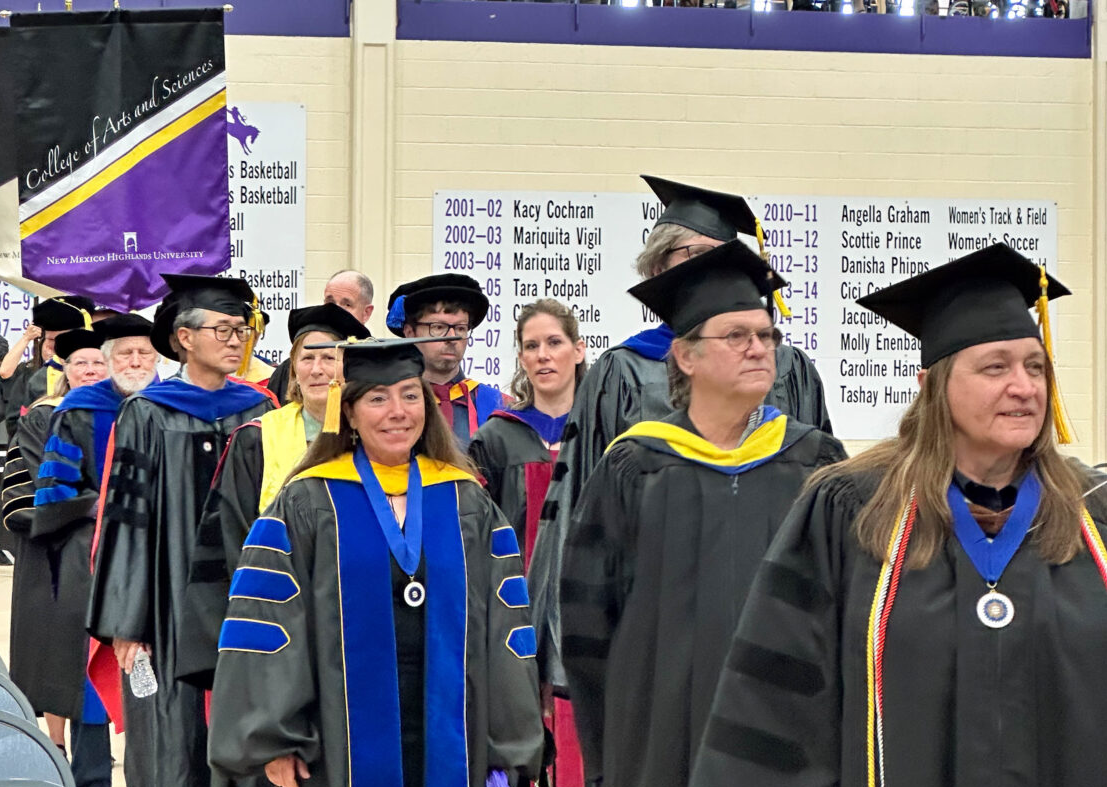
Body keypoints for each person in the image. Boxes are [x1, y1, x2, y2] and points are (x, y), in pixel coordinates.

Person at [669, 243, 1107, 787]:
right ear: (933, 383)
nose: (1024, 386)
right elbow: (781, 691)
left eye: (1035, 367)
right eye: (994, 367)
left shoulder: (1094, 520)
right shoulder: (852, 514)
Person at [208, 335, 544, 787]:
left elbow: (507, 626)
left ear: (429, 405)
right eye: (379, 399)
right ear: (350, 414)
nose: (397, 412)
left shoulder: (465, 498)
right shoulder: (307, 501)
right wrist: (273, 735)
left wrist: (506, 737)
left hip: (447, 734)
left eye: (410, 397)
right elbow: (266, 620)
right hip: (339, 744)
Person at [560, 240, 845, 787]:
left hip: (781, 745)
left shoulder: (816, 467)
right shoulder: (635, 466)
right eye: (738, 337)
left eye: (767, 337)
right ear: (685, 358)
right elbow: (589, 627)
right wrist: (610, 756)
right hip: (657, 745)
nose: (760, 350)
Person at [528, 175, 831, 694]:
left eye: (724, 254)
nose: (712, 264)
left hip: (777, 623)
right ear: (659, 267)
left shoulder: (789, 369)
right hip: (658, 626)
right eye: (694, 252)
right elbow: (579, 511)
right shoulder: (621, 371)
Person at [87, 274, 274, 787]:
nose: (235, 341)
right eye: (222, 331)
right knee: (176, 738)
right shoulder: (149, 413)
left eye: (242, 331)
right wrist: (126, 623)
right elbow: (127, 521)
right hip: (168, 606)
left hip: (245, 597)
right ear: (183, 337)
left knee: (249, 729)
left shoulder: (260, 410)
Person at [181, 302, 369, 787]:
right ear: (291, 367)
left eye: (333, 356)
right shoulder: (259, 439)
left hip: (360, 651)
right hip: (277, 647)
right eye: (309, 356)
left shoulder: (375, 436)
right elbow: (227, 546)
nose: (319, 367)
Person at [469, 299, 589, 787]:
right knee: (516, 773)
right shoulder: (497, 438)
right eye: (531, 346)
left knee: (579, 779)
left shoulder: (603, 433)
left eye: (553, 342)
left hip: (582, 623)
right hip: (513, 623)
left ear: (576, 349)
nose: (543, 355)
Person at [24, 315, 158, 787]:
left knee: (162, 684)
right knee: (92, 676)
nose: (136, 362)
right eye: (125, 354)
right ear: (108, 361)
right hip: (96, 556)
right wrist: (94, 508)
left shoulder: (173, 407)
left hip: (163, 563)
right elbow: (53, 489)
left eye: (145, 353)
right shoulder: (79, 411)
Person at [2, 328, 109, 787]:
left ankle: (90, 776)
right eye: (81, 364)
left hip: (109, 551)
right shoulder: (46, 415)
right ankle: (65, 770)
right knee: (62, 665)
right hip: (59, 554)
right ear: (63, 370)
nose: (90, 371)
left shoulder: (131, 412)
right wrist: (108, 503)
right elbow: (48, 485)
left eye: (97, 363)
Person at [388, 272, 506, 448]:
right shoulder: (389, 406)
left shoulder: (499, 406)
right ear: (410, 333)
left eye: (460, 328)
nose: (452, 337)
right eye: (438, 327)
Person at [266, 269, 375, 403]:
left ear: (366, 313)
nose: (336, 310)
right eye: (330, 302)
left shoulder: (375, 365)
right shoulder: (288, 370)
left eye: (347, 304)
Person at [0, 295, 95, 438]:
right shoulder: (32, 377)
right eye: (49, 340)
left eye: (60, 340)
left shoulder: (95, 373)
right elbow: (15, 423)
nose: (52, 347)